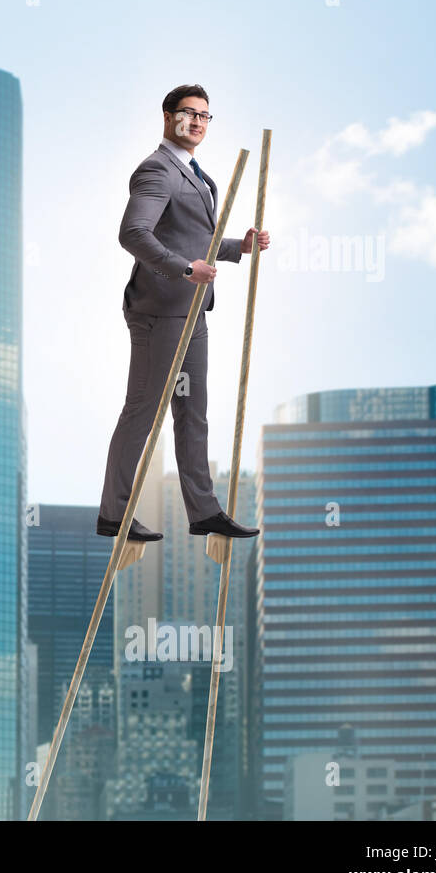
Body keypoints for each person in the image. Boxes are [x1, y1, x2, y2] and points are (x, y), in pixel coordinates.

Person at [96, 83, 268, 543]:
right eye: (188, 114)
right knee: (143, 411)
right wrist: (181, 269)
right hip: (159, 312)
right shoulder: (157, 169)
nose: (196, 122)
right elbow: (133, 233)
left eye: (205, 116)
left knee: (194, 414)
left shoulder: (195, 172)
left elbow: (193, 241)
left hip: (192, 313)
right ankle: (114, 513)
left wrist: (238, 247)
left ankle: (204, 510)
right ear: (168, 117)